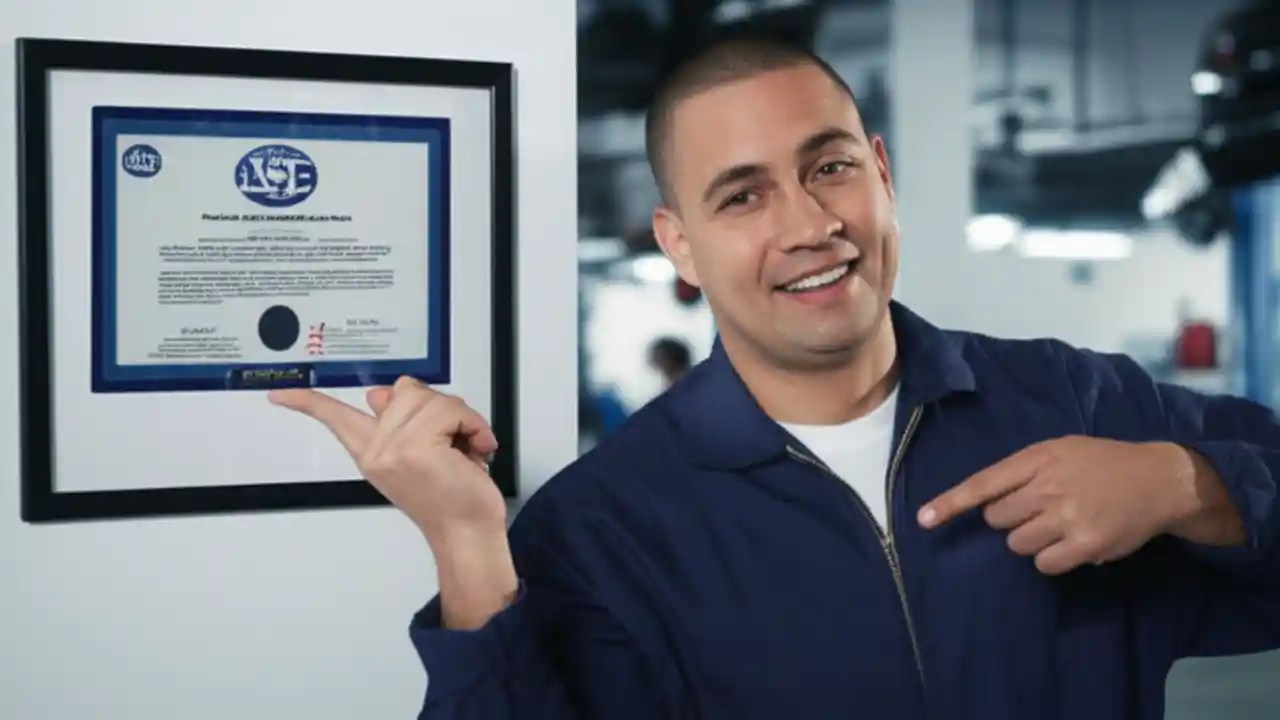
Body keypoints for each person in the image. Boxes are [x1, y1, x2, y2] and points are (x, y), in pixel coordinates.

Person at [268, 34, 1280, 720]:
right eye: (743, 196)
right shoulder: (601, 528)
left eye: (829, 167)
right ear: (680, 245)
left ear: (880, 173)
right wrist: (463, 543)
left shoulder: (1079, 404)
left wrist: (1189, 487)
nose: (808, 224)